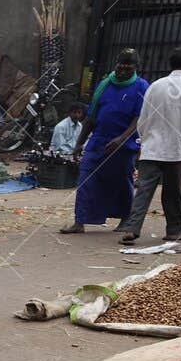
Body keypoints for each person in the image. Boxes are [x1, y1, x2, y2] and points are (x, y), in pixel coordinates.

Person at [60, 49, 149, 234]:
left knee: (122, 181)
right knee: (85, 178)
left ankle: (125, 218)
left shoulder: (141, 86)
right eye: (121, 63)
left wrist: (122, 138)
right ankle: (79, 221)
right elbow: (91, 117)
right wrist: (79, 143)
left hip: (124, 143)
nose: (124, 67)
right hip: (98, 141)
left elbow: (139, 118)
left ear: (136, 67)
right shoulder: (104, 84)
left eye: (129, 64)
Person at [121, 45, 181, 244]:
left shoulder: (155, 86)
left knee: (143, 190)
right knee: (173, 192)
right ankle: (174, 229)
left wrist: (143, 142)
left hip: (152, 146)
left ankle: (132, 228)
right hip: (176, 149)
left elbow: (144, 118)